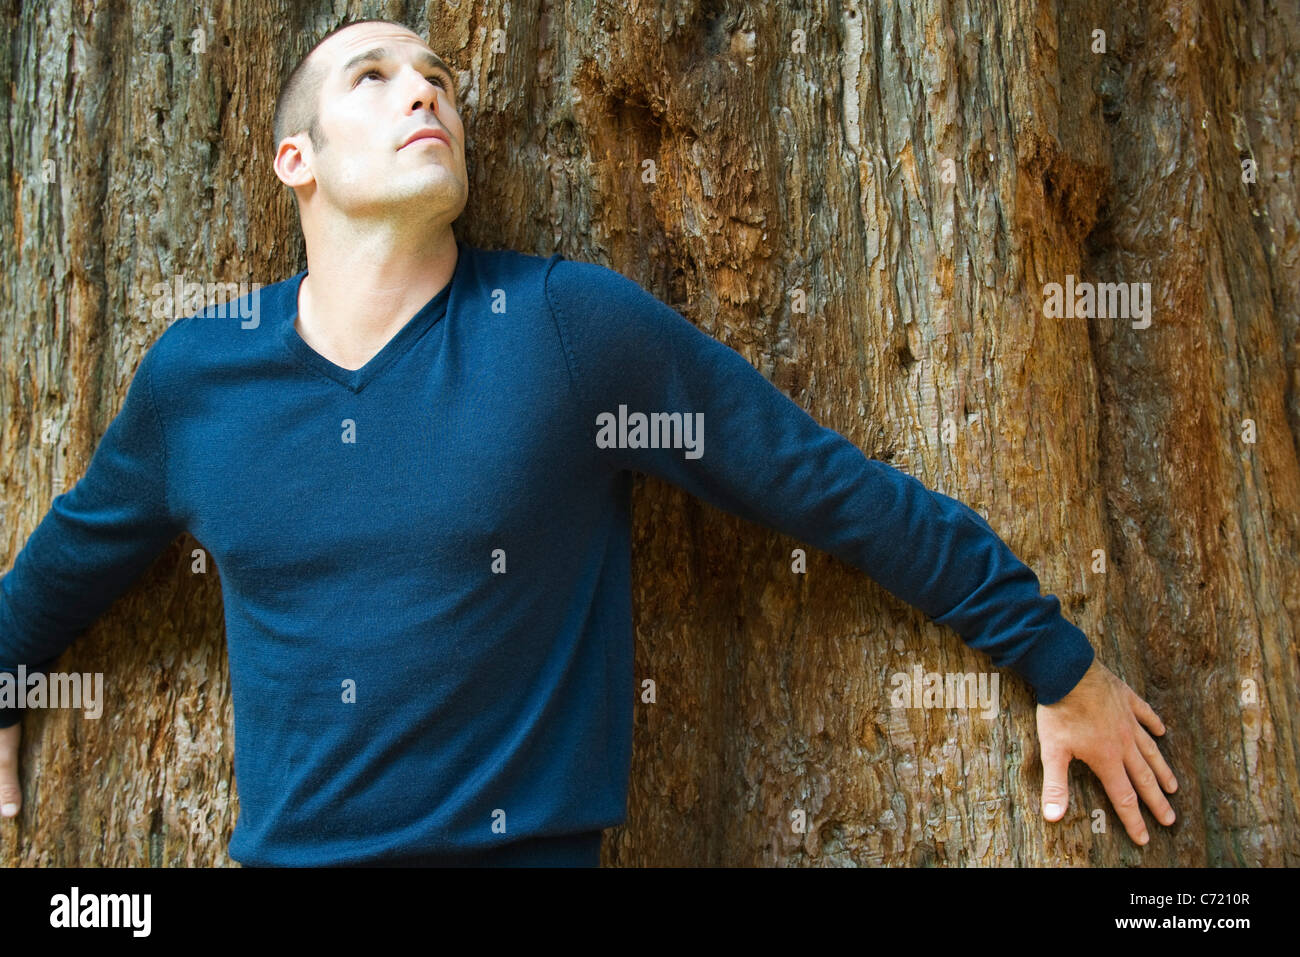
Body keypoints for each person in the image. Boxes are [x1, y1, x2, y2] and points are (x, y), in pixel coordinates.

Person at [0, 18, 1177, 866]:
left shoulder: (565, 330)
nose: (425, 95)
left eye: (438, 79)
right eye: (373, 77)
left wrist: (1055, 661)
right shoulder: (201, 380)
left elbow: (822, 485)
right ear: (293, 159)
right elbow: (67, 562)